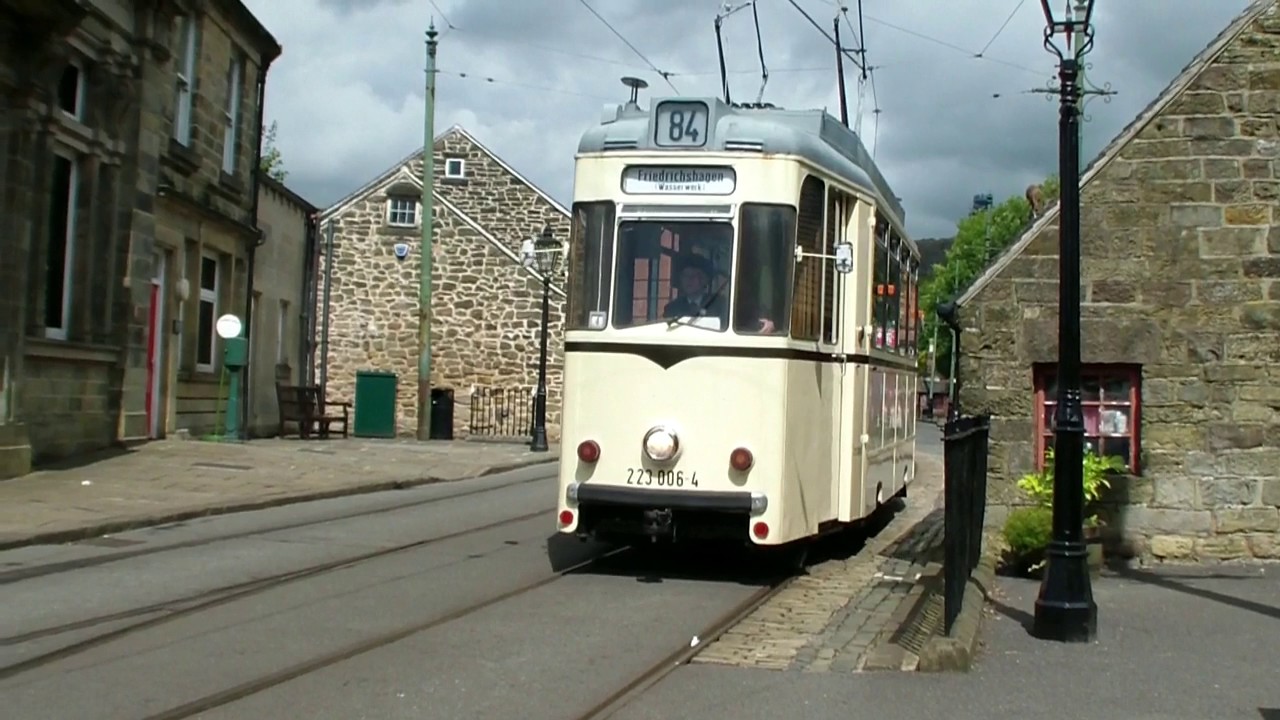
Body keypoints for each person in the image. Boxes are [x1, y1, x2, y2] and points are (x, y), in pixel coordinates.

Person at [663, 254, 727, 324]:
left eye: (693, 276)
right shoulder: (672, 308)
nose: (688, 280)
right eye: (685, 276)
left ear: (704, 279)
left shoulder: (718, 305)